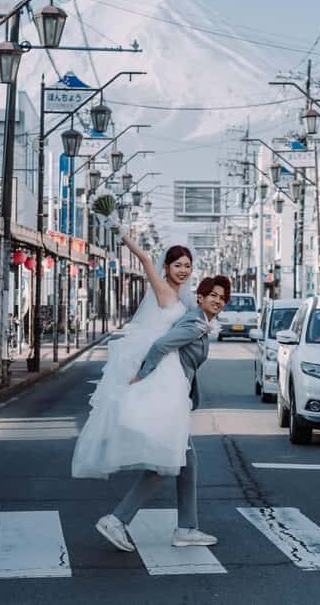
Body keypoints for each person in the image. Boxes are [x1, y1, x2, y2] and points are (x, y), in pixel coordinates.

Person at [95, 274, 231, 553]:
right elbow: (161, 346)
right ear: (201, 297)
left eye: (222, 297)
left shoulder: (200, 322)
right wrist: (142, 375)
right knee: (164, 463)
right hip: (166, 398)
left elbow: (185, 362)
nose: (218, 301)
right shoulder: (195, 324)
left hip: (175, 397)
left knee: (186, 463)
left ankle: (186, 528)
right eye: (213, 295)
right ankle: (116, 520)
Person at [71, 234, 195, 482]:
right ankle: (155, 460)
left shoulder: (182, 296)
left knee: (169, 422)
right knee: (154, 419)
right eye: (177, 265)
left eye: (187, 266)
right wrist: (120, 232)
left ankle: (163, 462)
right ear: (166, 267)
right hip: (157, 360)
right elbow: (145, 259)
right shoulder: (163, 289)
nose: (183, 270)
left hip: (170, 361)